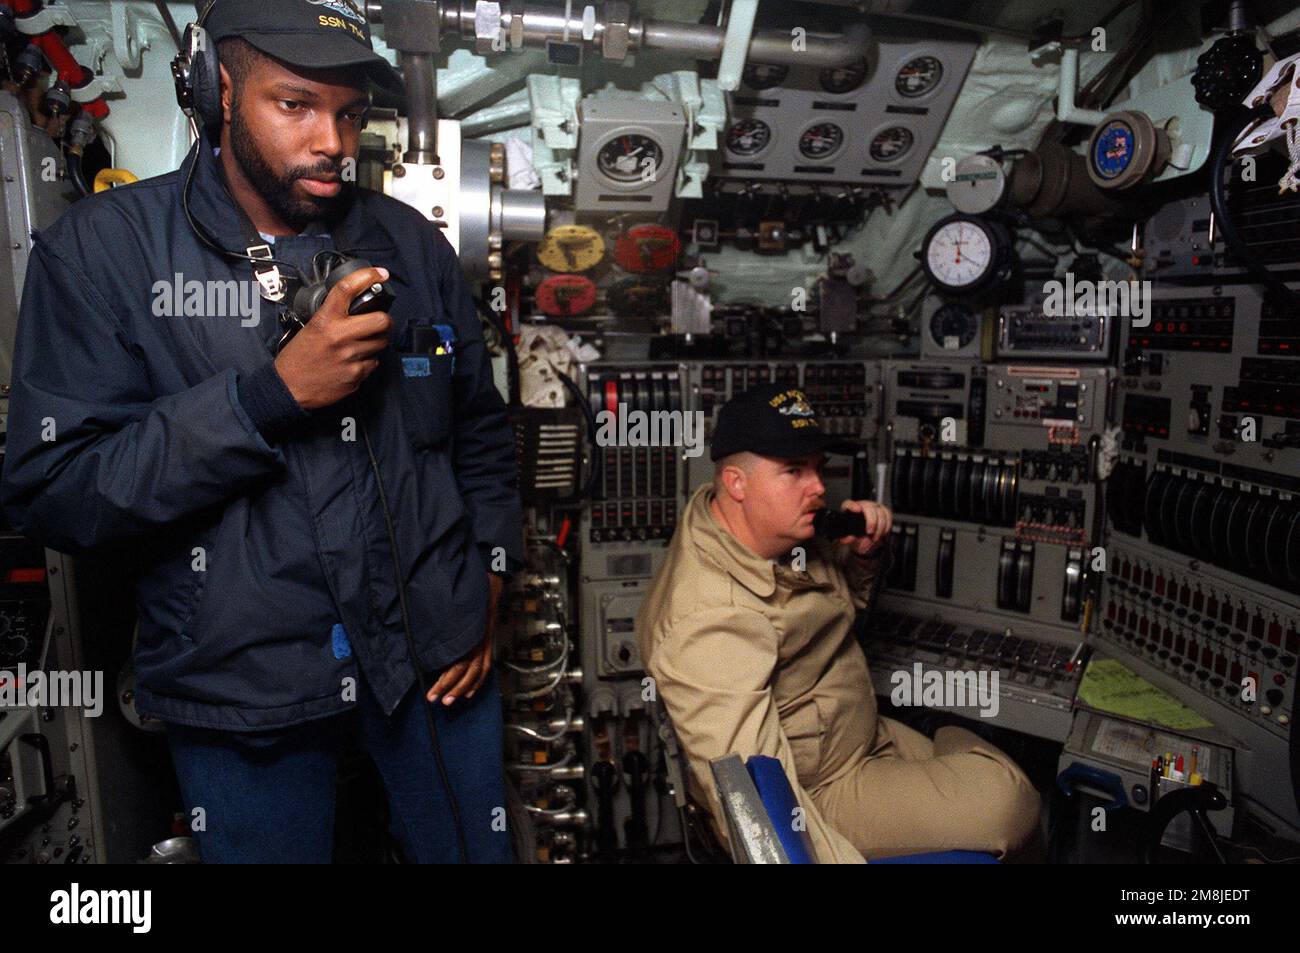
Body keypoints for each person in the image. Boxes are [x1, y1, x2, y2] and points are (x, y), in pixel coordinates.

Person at [0, 0, 523, 863]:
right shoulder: (103, 254)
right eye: (296, 105)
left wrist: (488, 580)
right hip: (244, 690)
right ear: (217, 90)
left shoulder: (407, 243)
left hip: (435, 660)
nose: (332, 142)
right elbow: (57, 488)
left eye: (349, 113)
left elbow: (478, 429)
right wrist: (265, 402)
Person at [636, 383, 1043, 862]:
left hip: (861, 735)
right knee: (1011, 804)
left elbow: (832, 615)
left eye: (817, 467)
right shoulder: (706, 620)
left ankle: (957, 746)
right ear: (736, 483)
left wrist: (863, 560)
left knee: (1014, 787)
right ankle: (956, 743)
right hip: (820, 784)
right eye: (793, 471)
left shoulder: (770, 531)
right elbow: (760, 811)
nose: (819, 488)